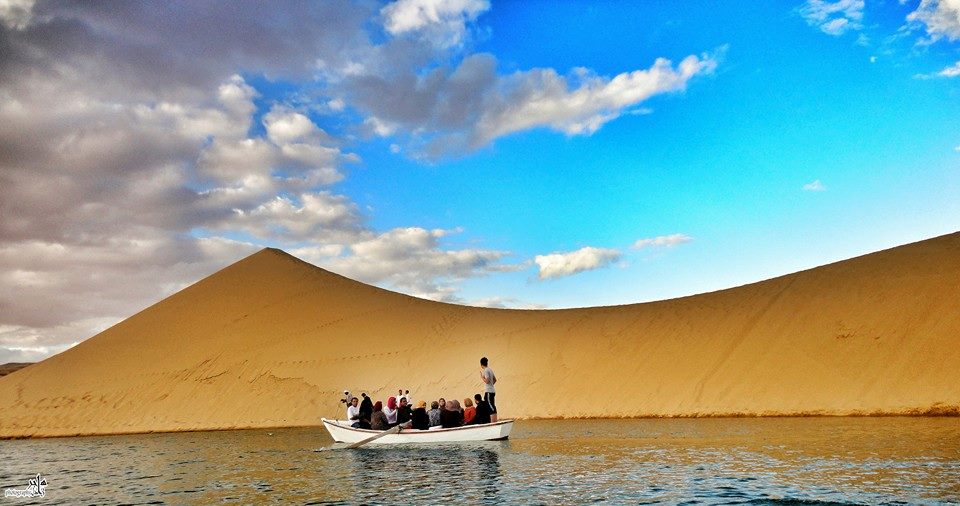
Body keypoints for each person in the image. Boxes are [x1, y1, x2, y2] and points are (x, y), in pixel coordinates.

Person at [480, 356, 498, 422]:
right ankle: (493, 420)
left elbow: (487, 381)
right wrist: (491, 385)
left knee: (490, 406)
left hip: (489, 391)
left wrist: (482, 378)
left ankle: (493, 421)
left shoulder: (486, 370)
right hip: (492, 390)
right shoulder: (490, 369)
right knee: (491, 405)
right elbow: (495, 380)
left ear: (481, 364)